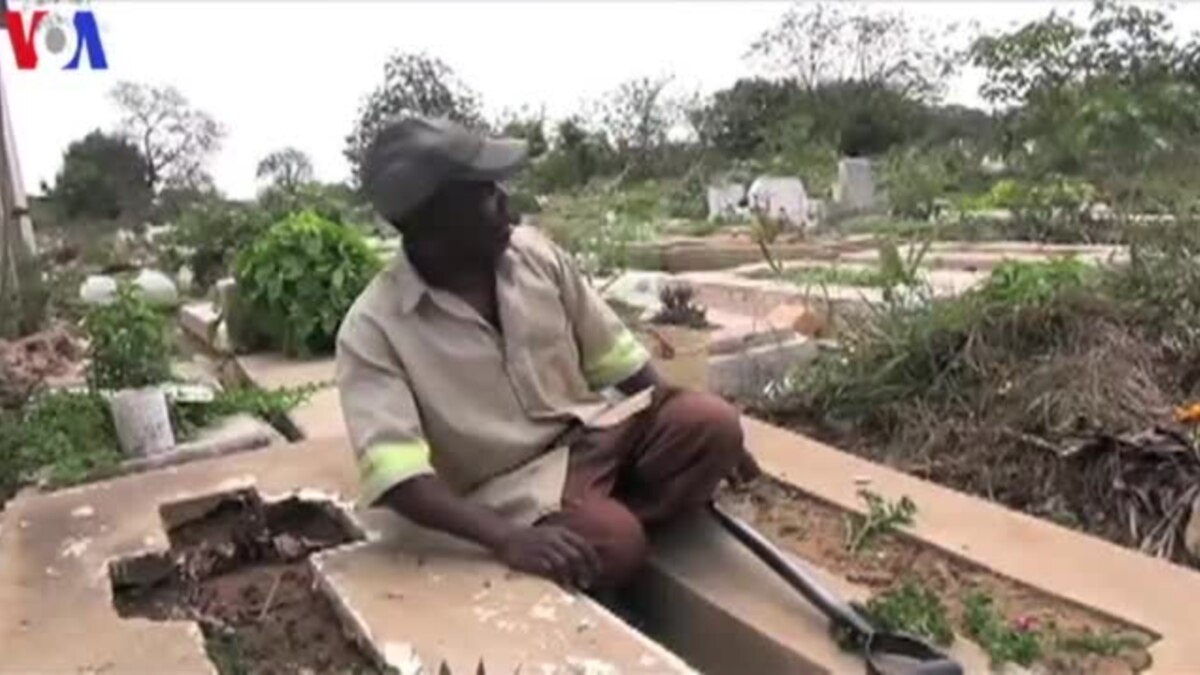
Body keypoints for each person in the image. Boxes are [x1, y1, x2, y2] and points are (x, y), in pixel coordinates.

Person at [336, 115, 759, 590]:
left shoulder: (535, 257)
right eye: (485, 194)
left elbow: (616, 357)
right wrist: (506, 539)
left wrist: (683, 422)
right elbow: (399, 477)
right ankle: (599, 525)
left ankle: (601, 513)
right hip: (513, 488)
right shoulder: (374, 329)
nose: (506, 205)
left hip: (593, 436)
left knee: (713, 424)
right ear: (434, 221)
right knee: (616, 544)